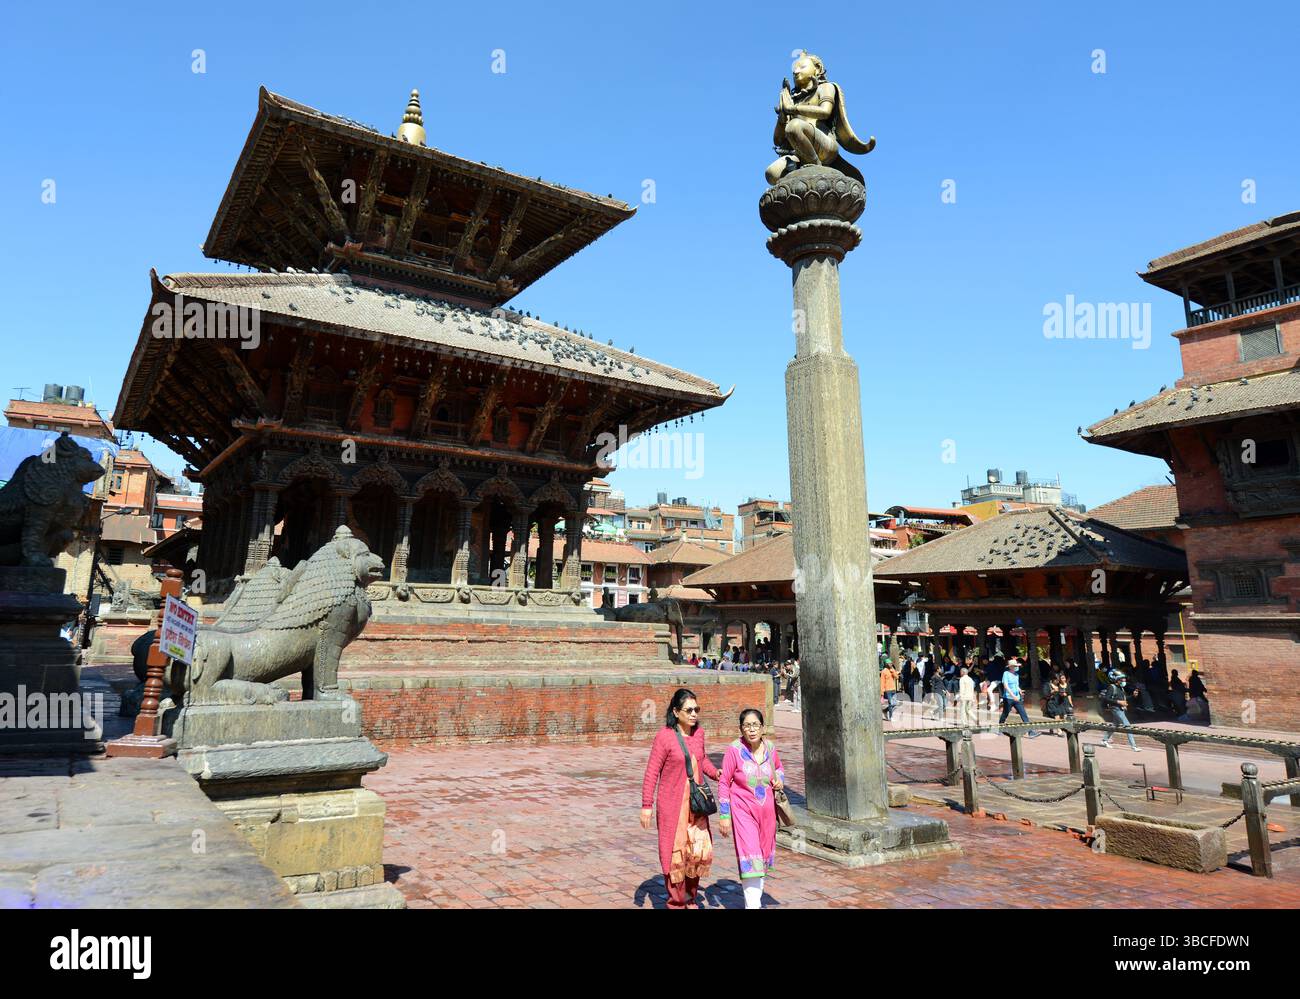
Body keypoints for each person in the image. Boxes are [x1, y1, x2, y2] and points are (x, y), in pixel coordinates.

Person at [641, 688, 721, 908]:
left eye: (696, 709)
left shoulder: (699, 734)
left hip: (697, 806)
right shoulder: (664, 737)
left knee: (696, 852)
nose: (694, 714)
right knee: (675, 854)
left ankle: (690, 899)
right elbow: (651, 772)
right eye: (689, 710)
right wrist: (647, 805)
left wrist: (716, 773)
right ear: (676, 712)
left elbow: (701, 760)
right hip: (673, 807)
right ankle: (676, 902)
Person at [717, 708, 785, 909]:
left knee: (761, 860)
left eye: (755, 725)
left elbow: (779, 768)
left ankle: (754, 902)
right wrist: (724, 815)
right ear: (741, 729)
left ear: (763, 728)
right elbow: (723, 782)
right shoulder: (734, 750)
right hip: (742, 811)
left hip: (767, 814)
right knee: (751, 859)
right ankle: (753, 906)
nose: (752, 729)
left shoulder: (770, 747)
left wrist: (779, 780)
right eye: (747, 725)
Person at [1099, 669, 1139, 751]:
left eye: (1124, 678)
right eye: (1122, 678)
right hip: (1116, 709)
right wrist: (1119, 702)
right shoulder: (1112, 687)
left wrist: (1132, 696)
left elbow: (1124, 699)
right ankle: (1134, 746)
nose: (1124, 680)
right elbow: (1106, 699)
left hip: (1120, 708)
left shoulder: (1121, 688)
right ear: (1117, 679)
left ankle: (1104, 740)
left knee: (1115, 725)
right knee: (1127, 726)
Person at [998, 658, 1039, 736]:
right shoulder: (1006, 673)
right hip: (1008, 697)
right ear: (1010, 667)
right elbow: (1006, 686)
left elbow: (1016, 685)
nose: (1016, 667)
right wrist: (1013, 696)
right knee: (1005, 713)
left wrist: (1019, 690)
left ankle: (1030, 732)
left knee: (1023, 714)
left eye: (1016, 666)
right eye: (1014, 666)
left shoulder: (1016, 675)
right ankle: (1000, 728)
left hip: (1017, 697)